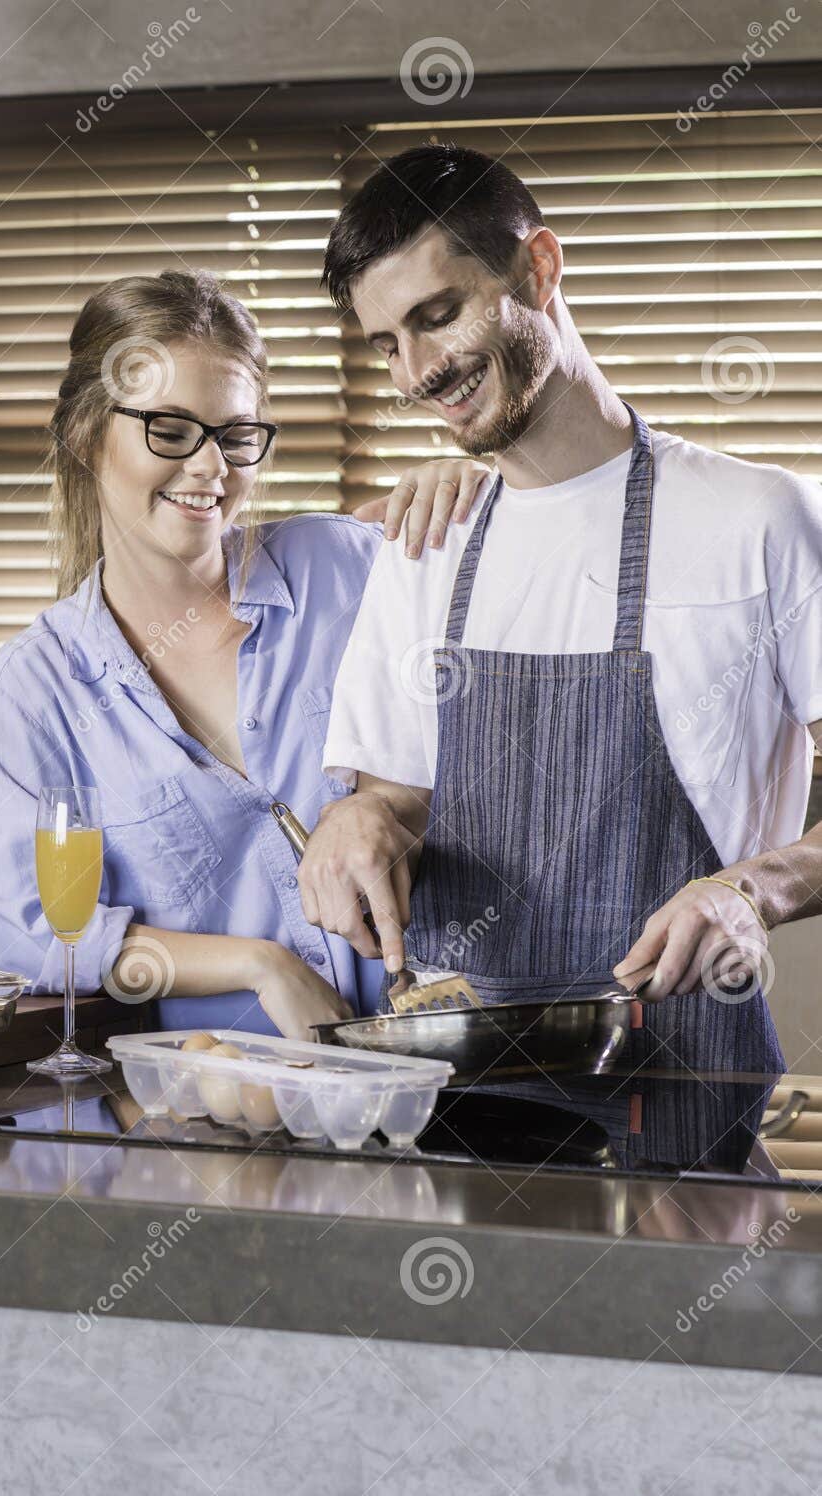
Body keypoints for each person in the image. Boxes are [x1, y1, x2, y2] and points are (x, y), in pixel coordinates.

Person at [298, 144, 822, 1073]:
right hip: (450, 1095)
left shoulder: (759, 519)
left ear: (538, 269)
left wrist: (751, 891)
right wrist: (357, 824)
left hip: (683, 1083)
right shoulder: (426, 540)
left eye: (439, 316)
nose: (416, 372)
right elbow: (397, 800)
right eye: (388, 344)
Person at [0, 269, 481, 1040]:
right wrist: (259, 965)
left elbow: (520, 660)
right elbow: (38, 934)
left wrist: (480, 494)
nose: (212, 468)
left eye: (236, 436)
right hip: (217, 1115)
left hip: (445, 1080)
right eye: (169, 431)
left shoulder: (349, 571)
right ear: (83, 435)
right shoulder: (32, 695)